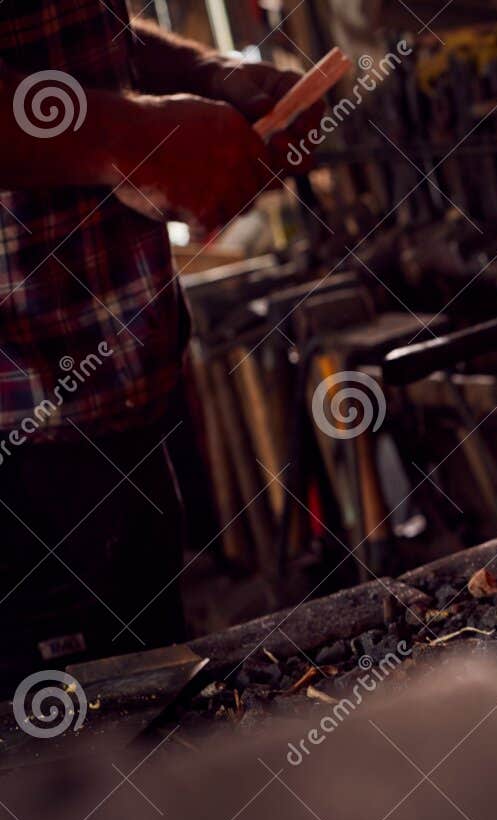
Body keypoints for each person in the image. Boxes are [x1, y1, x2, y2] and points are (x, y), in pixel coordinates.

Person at [0, 4, 319, 691]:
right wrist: (131, 138)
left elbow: (58, 33)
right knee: (64, 779)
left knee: (152, 740)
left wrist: (209, 73)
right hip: (17, 441)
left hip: (116, 411)